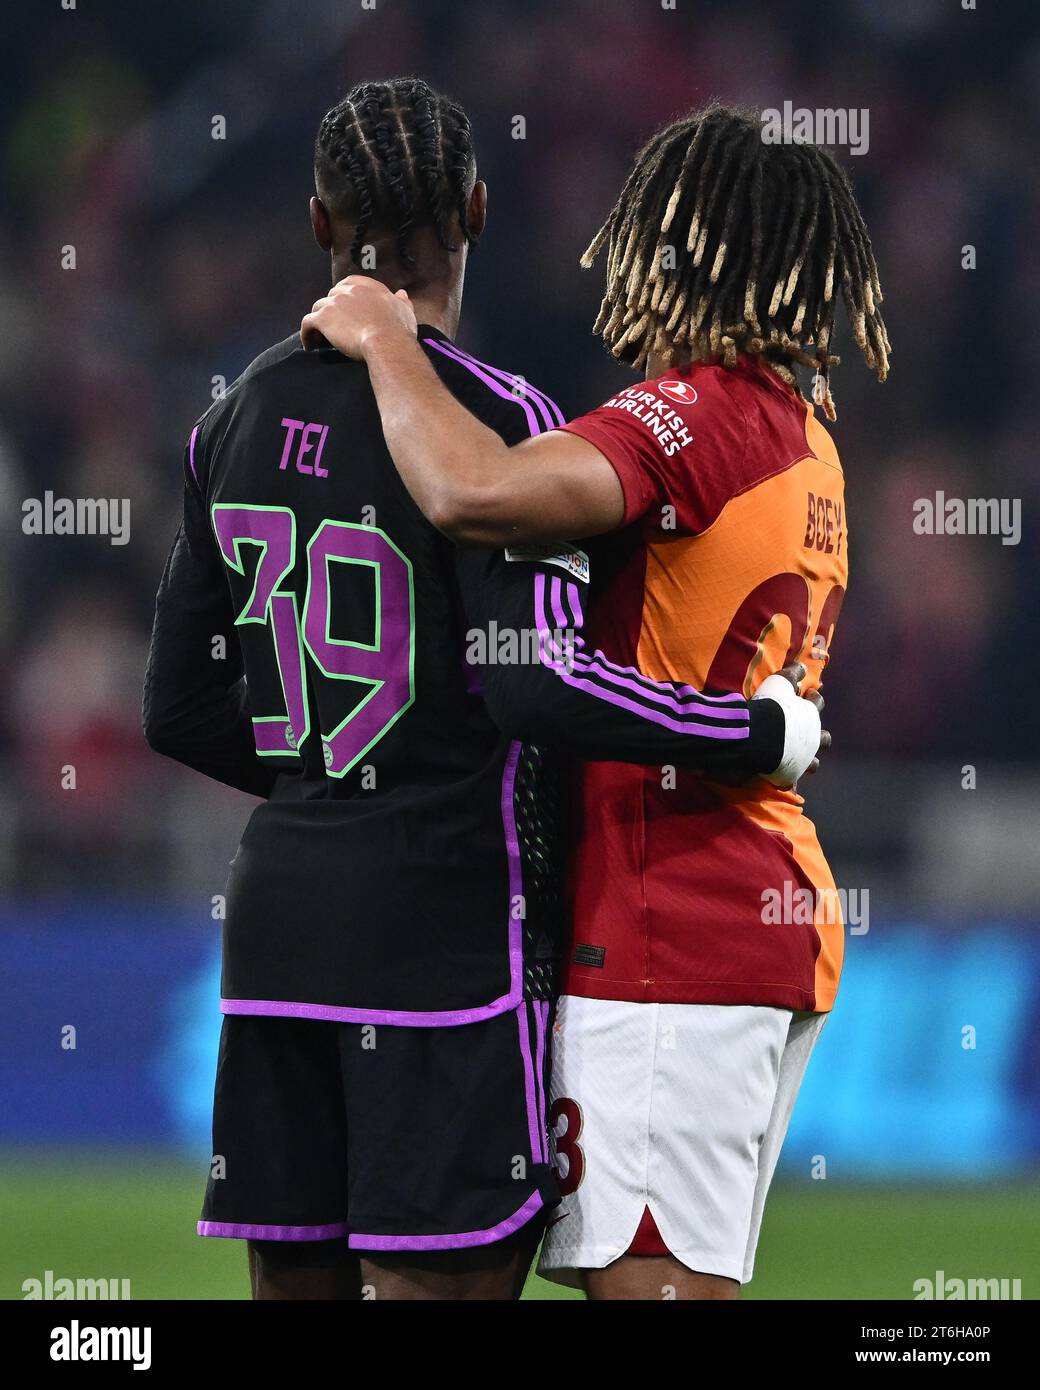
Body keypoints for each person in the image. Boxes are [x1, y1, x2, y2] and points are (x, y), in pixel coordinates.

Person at [143, 83, 823, 1302]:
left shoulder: (227, 422)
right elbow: (535, 684)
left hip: (277, 920)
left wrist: (333, 765)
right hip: (442, 923)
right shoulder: (500, 424)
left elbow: (175, 710)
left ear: (316, 222)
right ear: (477, 206)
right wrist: (747, 732)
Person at [300, 99, 889, 1300]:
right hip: (743, 910)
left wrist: (386, 340)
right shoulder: (805, 436)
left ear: (686, 245)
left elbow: (474, 493)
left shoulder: (697, 417)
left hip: (673, 926)